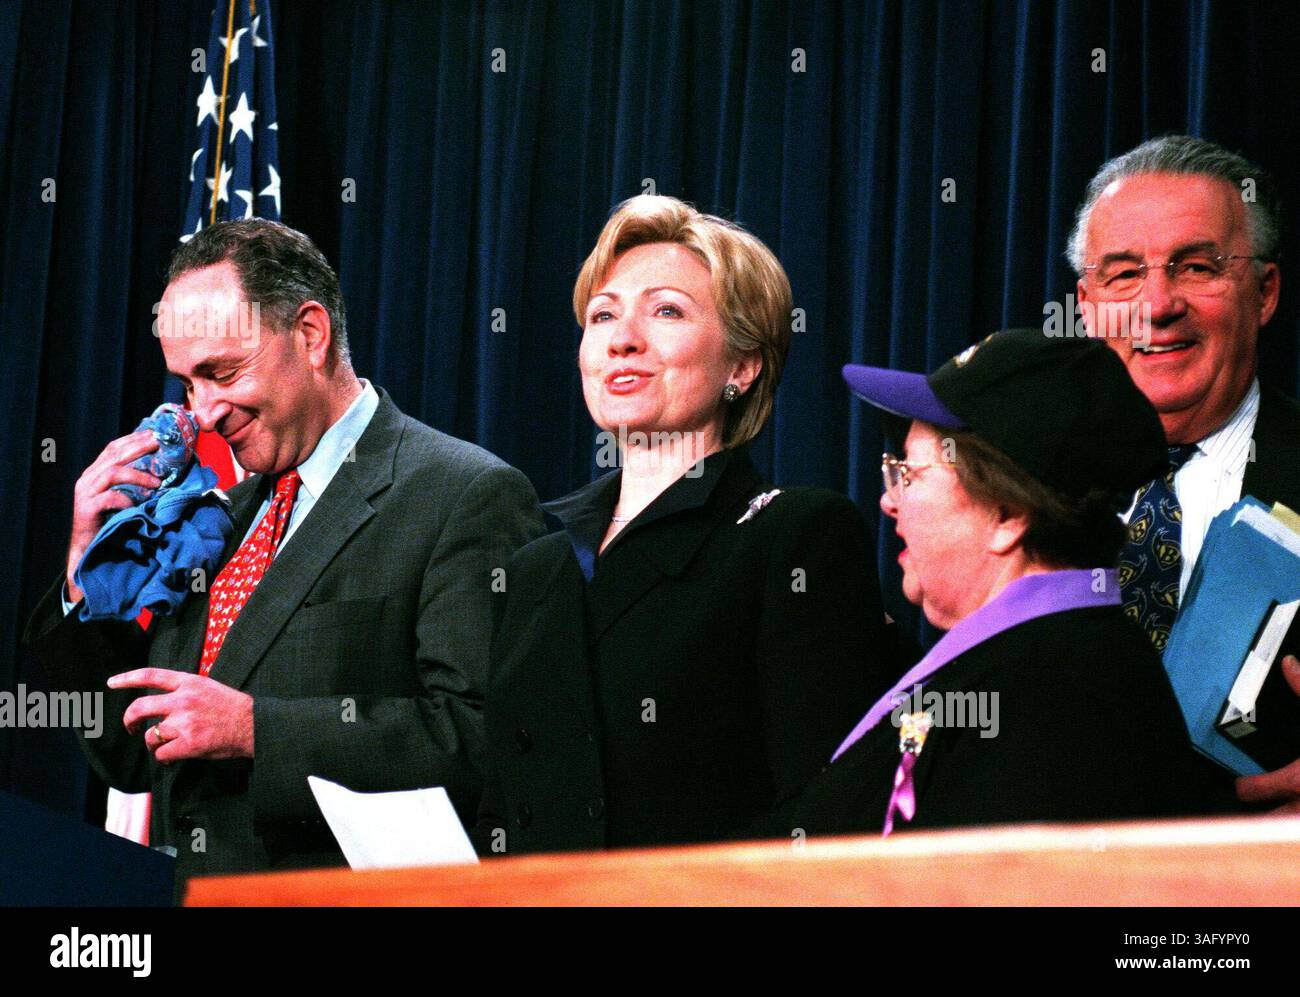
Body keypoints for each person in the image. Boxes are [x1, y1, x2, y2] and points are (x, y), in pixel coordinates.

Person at [24, 220, 544, 886]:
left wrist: (258, 730)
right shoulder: (219, 520)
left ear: (310, 333)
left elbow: (487, 741)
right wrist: (84, 571)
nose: (202, 413)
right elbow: (137, 755)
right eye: (187, 384)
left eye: (222, 372)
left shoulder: (462, 493)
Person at [473, 195, 891, 856]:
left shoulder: (794, 536)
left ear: (743, 366)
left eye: (666, 310)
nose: (622, 338)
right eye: (602, 314)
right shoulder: (537, 565)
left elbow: (828, 812)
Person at [763, 329, 1230, 838]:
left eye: (909, 475)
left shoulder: (1058, 700)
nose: (889, 501)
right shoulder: (1033, 662)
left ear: (1007, 514)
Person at [1070, 135, 1300, 812]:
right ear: (1087, 305)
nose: (1159, 303)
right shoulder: (1023, 489)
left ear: (1264, 292)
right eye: (1123, 274)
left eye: (1196, 267)